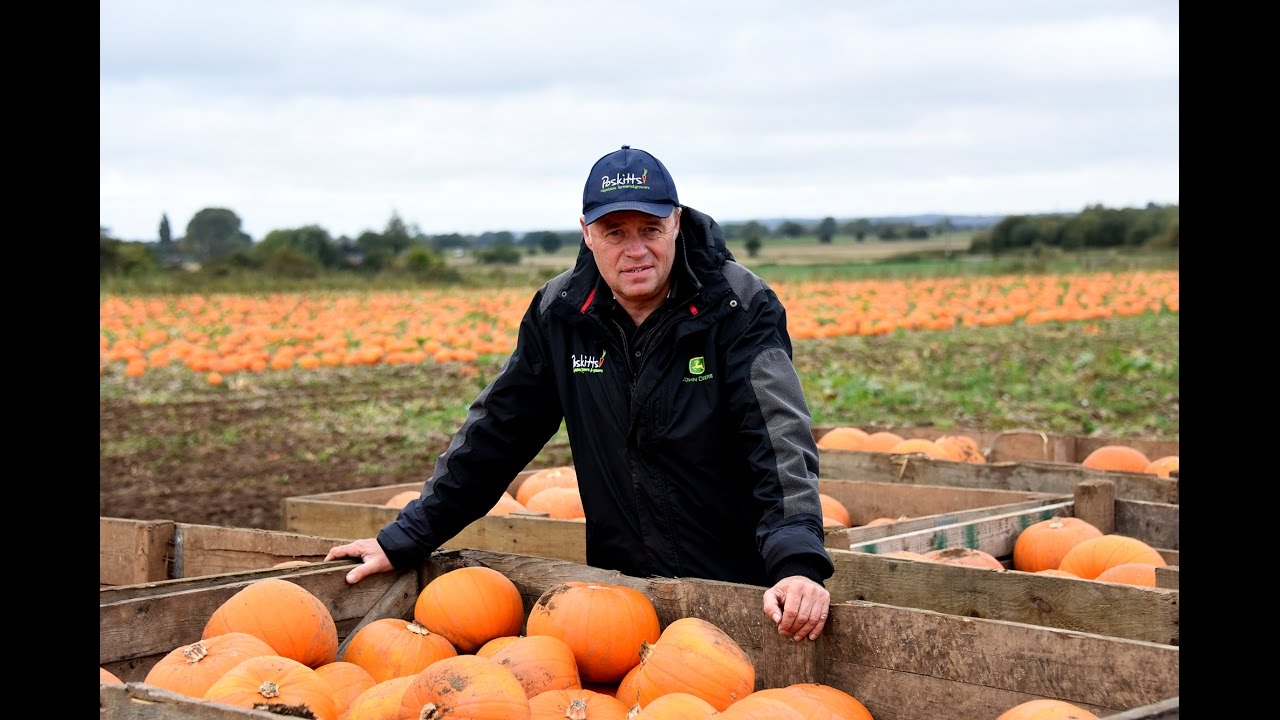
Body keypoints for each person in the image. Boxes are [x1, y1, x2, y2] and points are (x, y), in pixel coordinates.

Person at [327, 145, 835, 641]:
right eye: (616, 233)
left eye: (651, 230)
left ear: (676, 223)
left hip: (739, 588)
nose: (635, 250)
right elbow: (498, 432)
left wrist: (795, 562)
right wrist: (406, 539)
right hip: (621, 597)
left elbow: (778, 438)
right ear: (587, 234)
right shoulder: (562, 313)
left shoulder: (738, 306)